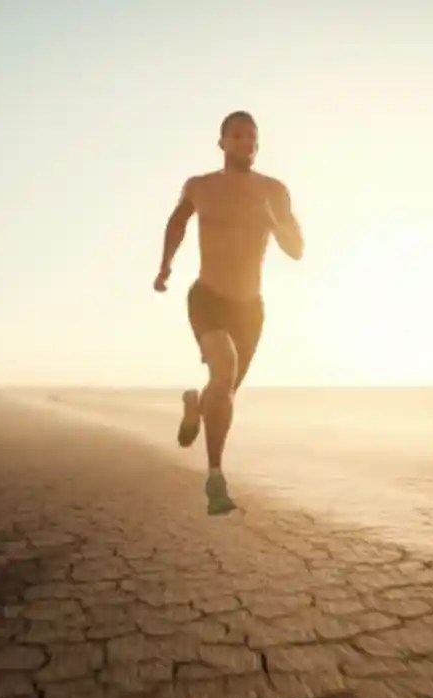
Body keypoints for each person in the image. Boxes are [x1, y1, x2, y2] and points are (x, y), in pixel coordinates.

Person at [153, 110, 304, 515]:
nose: (245, 142)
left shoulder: (274, 191)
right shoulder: (200, 186)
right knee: (224, 371)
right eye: (236, 135)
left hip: (250, 309)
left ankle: (195, 405)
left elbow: (296, 250)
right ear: (221, 142)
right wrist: (165, 266)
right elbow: (177, 223)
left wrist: (273, 222)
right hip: (208, 298)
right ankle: (215, 478)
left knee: (223, 391)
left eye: (251, 136)